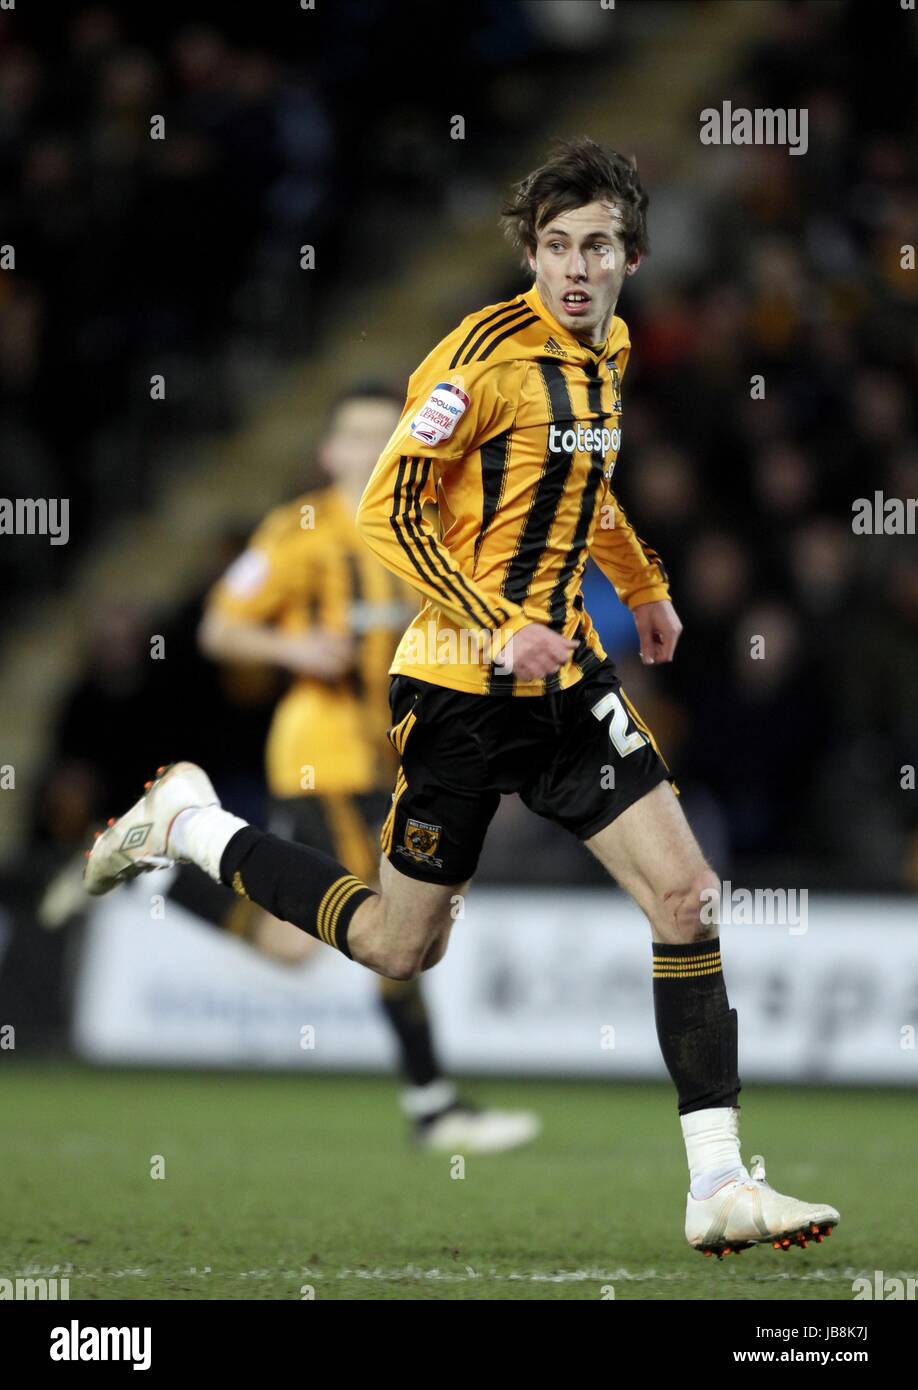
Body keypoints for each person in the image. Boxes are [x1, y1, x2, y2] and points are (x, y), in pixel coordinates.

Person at [85, 137, 838, 1256]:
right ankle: (189, 823)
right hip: (456, 688)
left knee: (686, 900)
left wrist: (643, 587)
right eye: (553, 246)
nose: (574, 268)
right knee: (399, 945)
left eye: (595, 246)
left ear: (631, 252)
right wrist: (497, 623)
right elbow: (390, 510)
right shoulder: (478, 358)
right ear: (530, 252)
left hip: (566, 676)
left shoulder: (612, 349)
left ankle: (718, 1182)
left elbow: (585, 486)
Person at [188, 382, 538, 1152]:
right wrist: (292, 648)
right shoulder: (301, 529)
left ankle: (178, 854)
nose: (375, 447)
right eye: (359, 435)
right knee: (392, 922)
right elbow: (218, 627)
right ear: (329, 451)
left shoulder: (439, 531)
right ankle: (433, 1107)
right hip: (325, 757)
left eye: (392, 433)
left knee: (298, 948)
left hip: (402, 760)